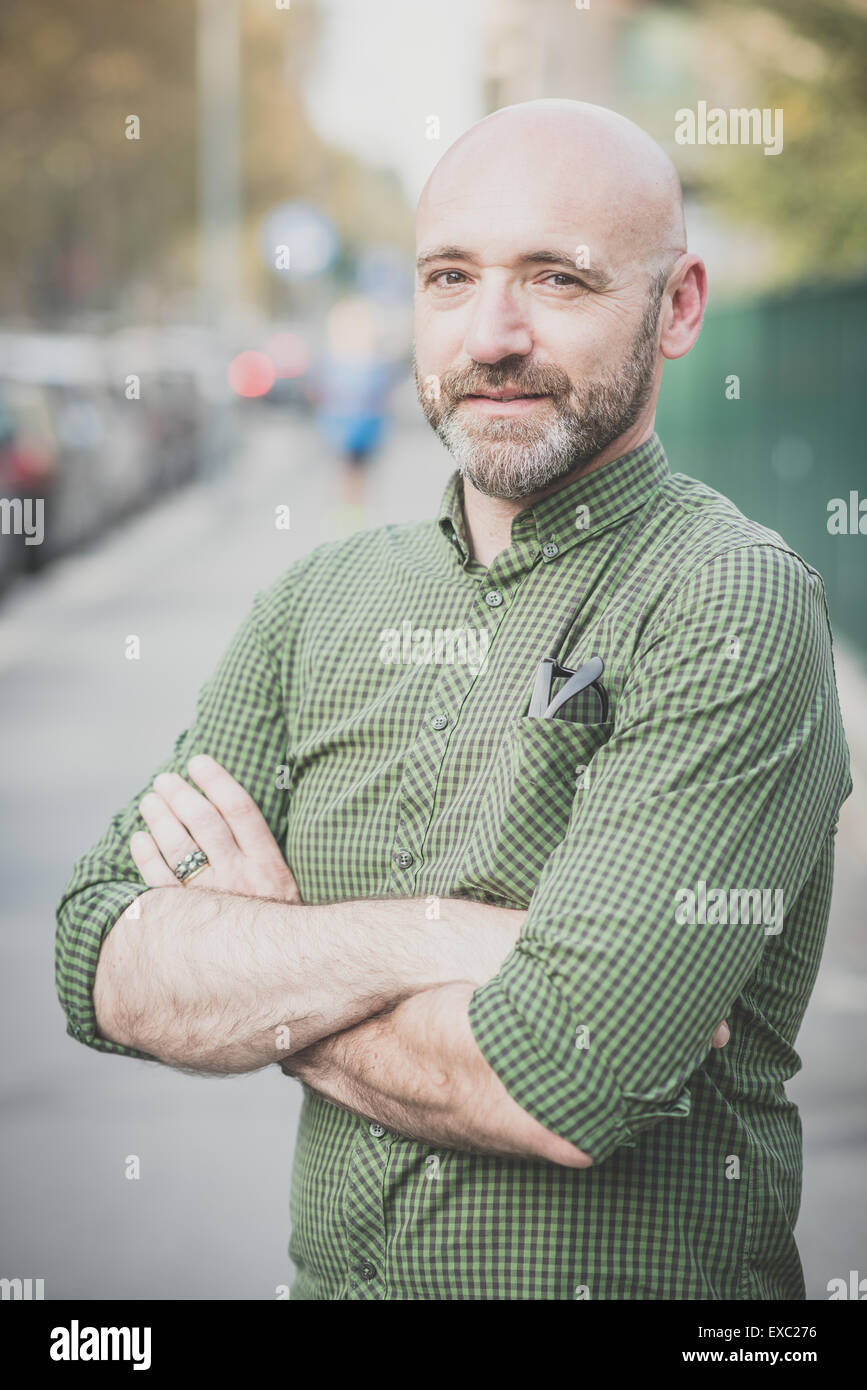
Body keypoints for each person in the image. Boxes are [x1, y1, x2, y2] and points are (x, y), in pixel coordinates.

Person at [56, 99, 851, 1301]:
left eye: (559, 279)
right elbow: (97, 955)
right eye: (449, 276)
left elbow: (563, 1079)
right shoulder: (317, 601)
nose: (491, 334)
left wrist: (265, 967)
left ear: (677, 306)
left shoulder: (726, 606)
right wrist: (440, 942)